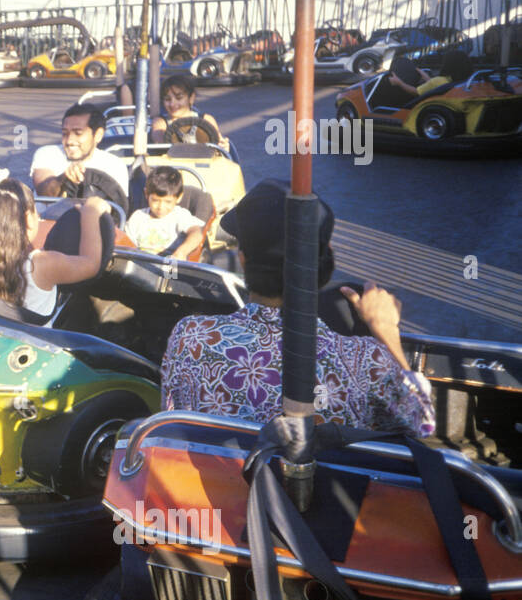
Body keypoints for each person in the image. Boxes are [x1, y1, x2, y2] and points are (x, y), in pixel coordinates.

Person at [161, 179, 435, 437]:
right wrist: (386, 331)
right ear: (324, 259)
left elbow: (172, 422)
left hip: (212, 485)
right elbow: (423, 424)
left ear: (243, 260)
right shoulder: (366, 361)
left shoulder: (189, 338)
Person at [0, 166, 111, 324]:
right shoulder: (40, 265)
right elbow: (91, 265)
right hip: (35, 344)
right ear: (29, 219)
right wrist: (91, 212)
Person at [30, 102, 129, 201]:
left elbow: (120, 207)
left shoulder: (115, 165)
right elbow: (43, 193)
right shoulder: (47, 153)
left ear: (98, 135)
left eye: (78, 133)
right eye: (65, 133)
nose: (69, 141)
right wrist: (63, 179)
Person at [123, 166, 206, 258]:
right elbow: (126, 244)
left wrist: (181, 252)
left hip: (170, 264)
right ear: (146, 194)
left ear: (179, 197)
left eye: (168, 202)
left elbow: (196, 233)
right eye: (155, 200)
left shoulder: (180, 216)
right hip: (140, 264)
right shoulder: (138, 217)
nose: (161, 207)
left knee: (170, 272)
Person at [149, 75, 227, 147]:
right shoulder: (160, 122)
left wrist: (223, 146)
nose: (172, 104)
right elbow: (160, 145)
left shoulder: (206, 119)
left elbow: (218, 145)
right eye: (167, 99)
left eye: (179, 98)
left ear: (191, 98)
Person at [387, 49, 473, 98]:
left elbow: (415, 92)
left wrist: (399, 82)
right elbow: (437, 85)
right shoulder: (466, 80)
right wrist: (427, 78)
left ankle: (372, 125)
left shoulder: (439, 81)